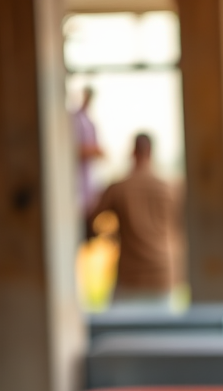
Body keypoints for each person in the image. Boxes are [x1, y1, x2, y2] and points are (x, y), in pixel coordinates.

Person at [91, 133, 180, 307]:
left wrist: (109, 235)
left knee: (118, 330)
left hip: (130, 276)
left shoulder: (118, 188)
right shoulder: (169, 189)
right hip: (163, 274)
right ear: (151, 153)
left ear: (133, 153)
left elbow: (90, 222)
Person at [72, 86, 104, 240]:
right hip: (77, 184)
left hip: (88, 182)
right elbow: (72, 150)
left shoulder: (89, 120)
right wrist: (92, 151)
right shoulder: (74, 119)